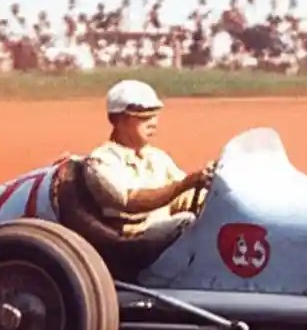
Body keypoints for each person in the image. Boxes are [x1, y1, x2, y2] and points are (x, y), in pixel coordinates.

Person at [83, 80, 214, 245]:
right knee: (187, 222)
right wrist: (184, 184)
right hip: (133, 242)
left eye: (154, 116)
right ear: (118, 120)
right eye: (144, 118)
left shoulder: (156, 157)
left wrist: (210, 189)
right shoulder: (102, 161)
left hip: (163, 237)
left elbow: (185, 196)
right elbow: (130, 200)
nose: (153, 123)